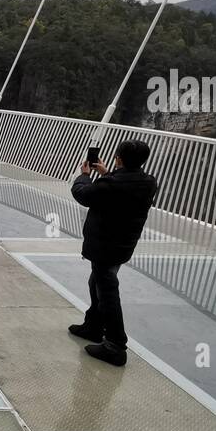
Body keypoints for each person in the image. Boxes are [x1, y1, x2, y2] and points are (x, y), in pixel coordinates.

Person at [69, 139, 157, 367]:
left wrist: (85, 175)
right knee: (96, 282)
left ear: (119, 158)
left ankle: (115, 345)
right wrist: (108, 173)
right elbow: (121, 192)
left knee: (107, 291)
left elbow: (82, 194)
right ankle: (93, 326)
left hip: (105, 245)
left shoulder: (111, 184)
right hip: (123, 245)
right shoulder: (148, 182)